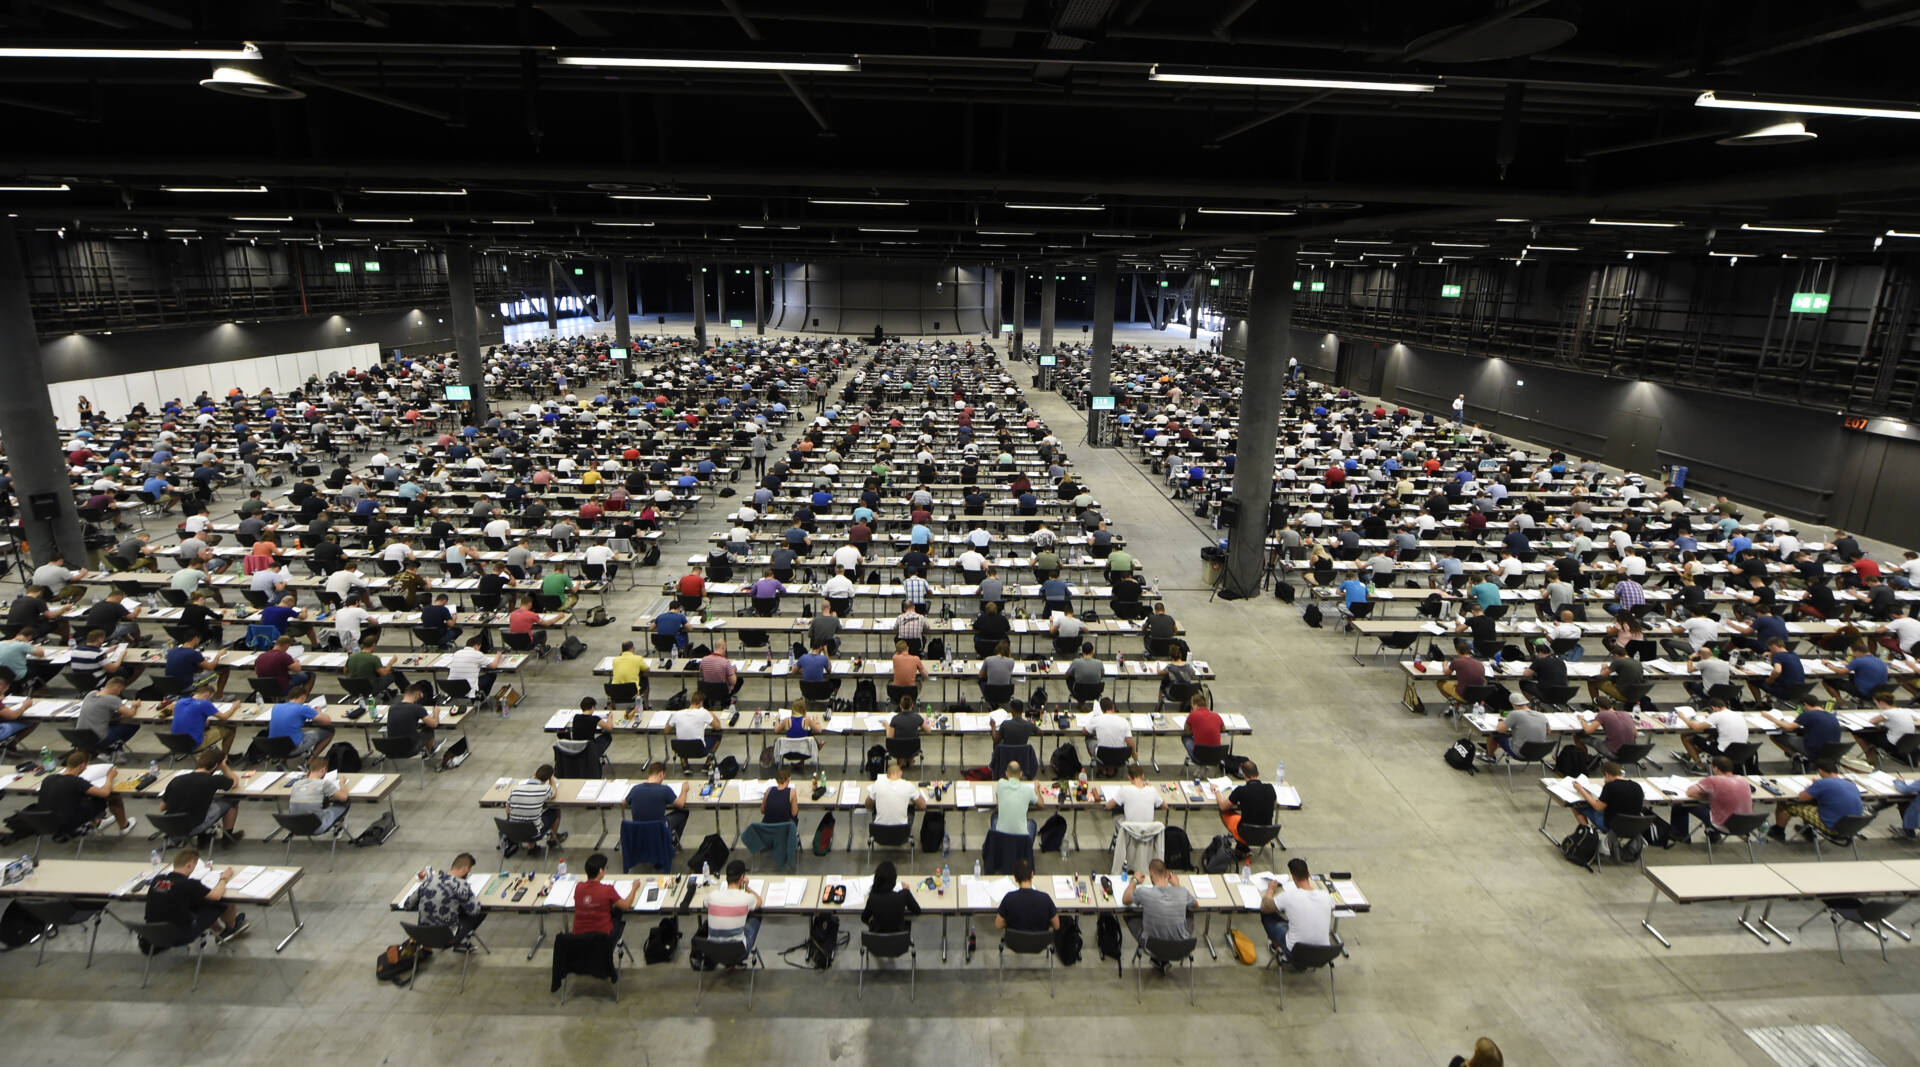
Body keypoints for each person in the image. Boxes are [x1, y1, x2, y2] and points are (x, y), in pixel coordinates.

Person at [145, 848, 247, 944]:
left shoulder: (157, 879)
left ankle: (220, 931)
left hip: (153, 934)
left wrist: (204, 870)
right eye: (196, 865)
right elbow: (216, 895)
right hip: (180, 934)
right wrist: (224, 878)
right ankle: (231, 928)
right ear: (189, 866)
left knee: (195, 903)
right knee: (224, 902)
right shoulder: (189, 884)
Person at [39, 750, 136, 835]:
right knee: (112, 795)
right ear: (82, 765)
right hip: (66, 823)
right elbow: (105, 793)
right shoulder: (75, 782)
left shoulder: (49, 778)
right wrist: (109, 777)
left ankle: (98, 822)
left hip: (45, 821)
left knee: (79, 797)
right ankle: (124, 826)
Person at [159, 748, 243, 843]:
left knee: (201, 804)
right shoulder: (214, 780)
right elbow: (235, 782)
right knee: (232, 800)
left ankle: (204, 836)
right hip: (193, 827)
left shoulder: (176, 780)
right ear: (216, 765)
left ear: (198, 760)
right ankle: (227, 838)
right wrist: (224, 765)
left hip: (170, 826)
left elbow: (162, 807)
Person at [1770, 760, 1864, 841]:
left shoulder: (1822, 783)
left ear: (1820, 771)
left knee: (1786, 804)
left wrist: (1811, 788)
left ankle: (1779, 832)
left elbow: (1802, 797)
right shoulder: (1850, 783)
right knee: (1813, 805)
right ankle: (1808, 830)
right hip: (1852, 826)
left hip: (1833, 826)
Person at [1259, 857, 1332, 961]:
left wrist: (1270, 890)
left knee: (1266, 914)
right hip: (1323, 954)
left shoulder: (1290, 896)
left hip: (1295, 953)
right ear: (1309, 875)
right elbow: (1331, 907)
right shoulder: (1325, 896)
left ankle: (1276, 947)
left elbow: (1265, 907)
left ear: (1293, 877)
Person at [1668, 756, 1755, 842]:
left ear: (1716, 768)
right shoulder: (1743, 780)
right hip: (1745, 824)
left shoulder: (1714, 780)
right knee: (1713, 805)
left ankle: (1680, 834)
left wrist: (1705, 795)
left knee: (1681, 804)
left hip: (1723, 825)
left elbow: (1689, 792)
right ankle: (1714, 836)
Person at [1122, 859, 1194, 959]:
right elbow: (1196, 905)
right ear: (1167, 875)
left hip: (1153, 947)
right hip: (1181, 948)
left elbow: (1125, 900)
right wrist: (1177, 885)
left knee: (1127, 913)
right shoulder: (1182, 891)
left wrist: (1134, 880)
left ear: (1151, 874)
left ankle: (1158, 956)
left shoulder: (1143, 892)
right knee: (1189, 912)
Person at [415, 851, 485, 945]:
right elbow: (475, 910)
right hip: (447, 938)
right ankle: (459, 943)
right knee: (481, 913)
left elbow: (407, 904)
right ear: (465, 869)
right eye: (469, 871)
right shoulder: (461, 884)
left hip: (423, 936)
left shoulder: (429, 880)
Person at [504, 762, 565, 857]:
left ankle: (532, 847)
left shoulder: (516, 788)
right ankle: (553, 839)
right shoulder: (545, 788)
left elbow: (508, 810)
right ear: (548, 779)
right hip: (534, 833)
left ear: (535, 774)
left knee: (528, 818)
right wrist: (552, 780)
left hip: (513, 831)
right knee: (555, 810)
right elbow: (554, 794)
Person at [572, 852, 640, 937]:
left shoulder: (579, 887)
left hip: (578, 938)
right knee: (618, 911)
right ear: (601, 871)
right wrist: (634, 888)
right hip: (602, 938)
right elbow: (626, 905)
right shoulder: (607, 890)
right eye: (605, 868)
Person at [624, 761, 690, 845]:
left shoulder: (635, 789)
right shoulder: (665, 790)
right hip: (659, 828)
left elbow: (624, 803)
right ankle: (673, 844)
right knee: (683, 813)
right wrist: (684, 790)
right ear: (661, 774)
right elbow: (681, 804)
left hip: (639, 829)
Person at [705, 859, 764, 952]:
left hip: (714, 950)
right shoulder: (746, 898)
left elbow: (705, 903)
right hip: (738, 951)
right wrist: (747, 888)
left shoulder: (712, 896)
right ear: (742, 878)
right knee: (757, 915)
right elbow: (759, 901)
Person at [1217, 758, 1276, 851]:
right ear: (1258, 774)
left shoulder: (1241, 790)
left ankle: (1241, 845)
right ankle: (1241, 848)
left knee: (1224, 812)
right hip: (1266, 835)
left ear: (1244, 775)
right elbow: (1274, 805)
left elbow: (1222, 806)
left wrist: (1216, 791)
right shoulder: (1270, 788)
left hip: (1245, 834)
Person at [1570, 761, 1644, 833]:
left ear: (1606, 774)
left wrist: (1581, 789)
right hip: (1633, 826)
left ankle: (1588, 833)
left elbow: (1597, 807)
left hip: (1612, 826)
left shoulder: (1610, 787)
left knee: (1575, 805)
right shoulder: (1637, 786)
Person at [75, 674, 142, 753]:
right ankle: (112, 748)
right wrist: (135, 706)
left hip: (80, 737)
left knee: (114, 722)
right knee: (133, 725)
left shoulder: (91, 694)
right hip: (99, 739)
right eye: (121, 690)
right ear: (118, 688)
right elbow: (130, 714)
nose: (119, 693)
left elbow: (100, 709)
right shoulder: (112, 699)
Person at [1676, 697, 1748, 770]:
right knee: (1713, 736)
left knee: (1686, 737)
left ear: (1714, 708)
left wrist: (1683, 718)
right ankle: (1690, 754)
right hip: (1741, 750)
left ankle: (1699, 766)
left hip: (1724, 751)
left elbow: (1696, 727)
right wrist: (1711, 718)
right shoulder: (1737, 714)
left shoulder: (1717, 715)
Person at [1763, 700, 1842, 765]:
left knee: (1774, 736)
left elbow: (1789, 727)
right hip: (1833, 751)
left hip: (1814, 751)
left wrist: (1770, 718)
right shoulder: (1831, 715)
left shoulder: (1808, 714)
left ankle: (1796, 757)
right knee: (1801, 734)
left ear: (1805, 705)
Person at [287, 754, 350, 833]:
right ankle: (339, 828)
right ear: (323, 770)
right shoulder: (323, 783)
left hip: (295, 826)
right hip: (316, 827)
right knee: (345, 801)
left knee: (322, 801)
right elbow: (344, 797)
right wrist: (342, 784)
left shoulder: (296, 784)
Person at [994, 858, 1058, 932]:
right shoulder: (1045, 898)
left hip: (1015, 942)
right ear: (1032, 874)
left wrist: (1010, 923)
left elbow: (998, 925)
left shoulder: (1009, 898)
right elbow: (1056, 925)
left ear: (1015, 878)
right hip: (1039, 942)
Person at [861, 859, 922, 934]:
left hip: (878, 943)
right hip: (899, 942)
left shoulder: (872, 898)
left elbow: (864, 918)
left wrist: (873, 922)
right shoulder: (904, 895)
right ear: (894, 881)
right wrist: (907, 891)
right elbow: (917, 911)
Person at [666, 692, 723, 766]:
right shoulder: (704, 713)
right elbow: (718, 727)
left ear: (691, 701)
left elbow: (666, 730)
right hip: (699, 750)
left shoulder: (677, 714)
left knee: (683, 739)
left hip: (681, 750)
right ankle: (707, 763)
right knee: (718, 735)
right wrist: (710, 713)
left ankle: (685, 764)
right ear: (701, 703)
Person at [268, 693, 333, 758]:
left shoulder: (276, 707)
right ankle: (308, 762)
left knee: (287, 731)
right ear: (302, 697)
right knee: (330, 731)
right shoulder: (302, 708)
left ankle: (282, 762)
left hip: (274, 748)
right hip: (291, 749)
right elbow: (327, 721)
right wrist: (319, 711)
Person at [868, 757, 925, 831]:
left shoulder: (877, 784)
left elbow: (867, 805)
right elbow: (923, 805)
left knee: (875, 807)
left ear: (887, 775)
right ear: (901, 773)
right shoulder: (908, 785)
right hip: (901, 833)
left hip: (880, 832)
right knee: (911, 807)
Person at [1484, 703, 1549, 763]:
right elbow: (1548, 732)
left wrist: (1500, 720)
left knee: (1493, 735)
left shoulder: (1515, 714)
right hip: (1538, 754)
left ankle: (1490, 757)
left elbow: (1500, 730)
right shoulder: (1542, 716)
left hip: (1520, 754)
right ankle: (1494, 746)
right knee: (1515, 736)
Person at [255, 634, 313, 701]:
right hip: (281, 687)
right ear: (286, 645)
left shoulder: (261, 656)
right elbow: (297, 670)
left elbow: (257, 671)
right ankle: (302, 699)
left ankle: (279, 698)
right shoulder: (283, 655)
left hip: (264, 687)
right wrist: (295, 661)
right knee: (310, 675)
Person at [995, 760, 1043, 839]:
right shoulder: (1027, 790)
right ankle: (1026, 850)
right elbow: (1041, 805)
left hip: (1002, 840)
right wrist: (1037, 789)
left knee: (994, 817)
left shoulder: (1000, 784)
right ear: (1020, 774)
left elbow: (998, 799)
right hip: (1022, 841)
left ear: (1006, 773)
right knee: (1032, 824)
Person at [608, 640, 650, 706]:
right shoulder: (638, 658)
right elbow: (647, 669)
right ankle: (646, 704)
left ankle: (612, 705)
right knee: (645, 678)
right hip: (632, 692)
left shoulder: (615, 660)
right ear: (632, 648)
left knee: (611, 680)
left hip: (616, 691)